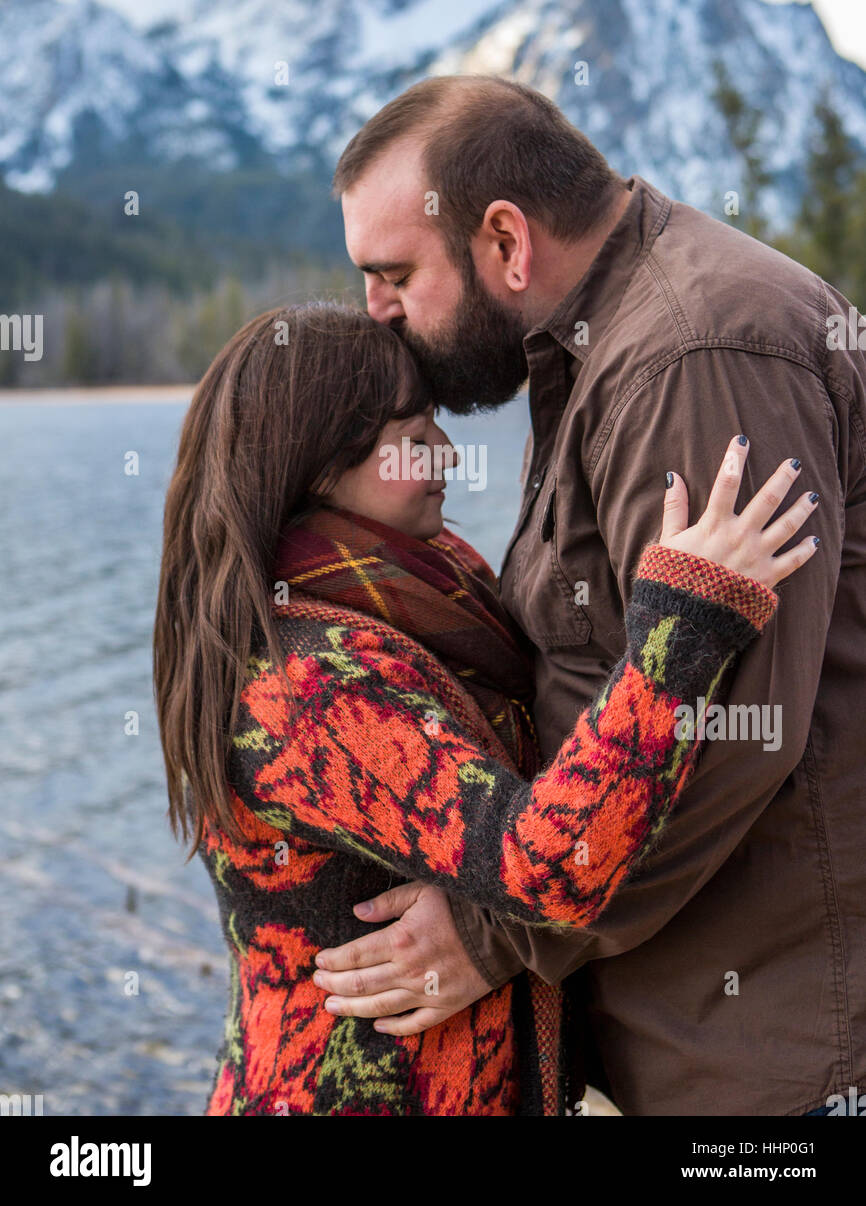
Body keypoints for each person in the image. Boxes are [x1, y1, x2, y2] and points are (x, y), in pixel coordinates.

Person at [318, 74, 866, 1118]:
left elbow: (730, 733)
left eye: (391, 274)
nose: (375, 312)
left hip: (776, 1063)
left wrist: (499, 932)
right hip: (702, 1034)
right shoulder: (599, 341)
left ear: (505, 243)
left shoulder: (690, 358)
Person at [153, 303, 814, 1116]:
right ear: (320, 461)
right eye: (416, 434)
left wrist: (481, 937)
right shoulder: (302, 685)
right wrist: (687, 625)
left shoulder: (423, 583)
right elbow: (552, 867)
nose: (449, 455)